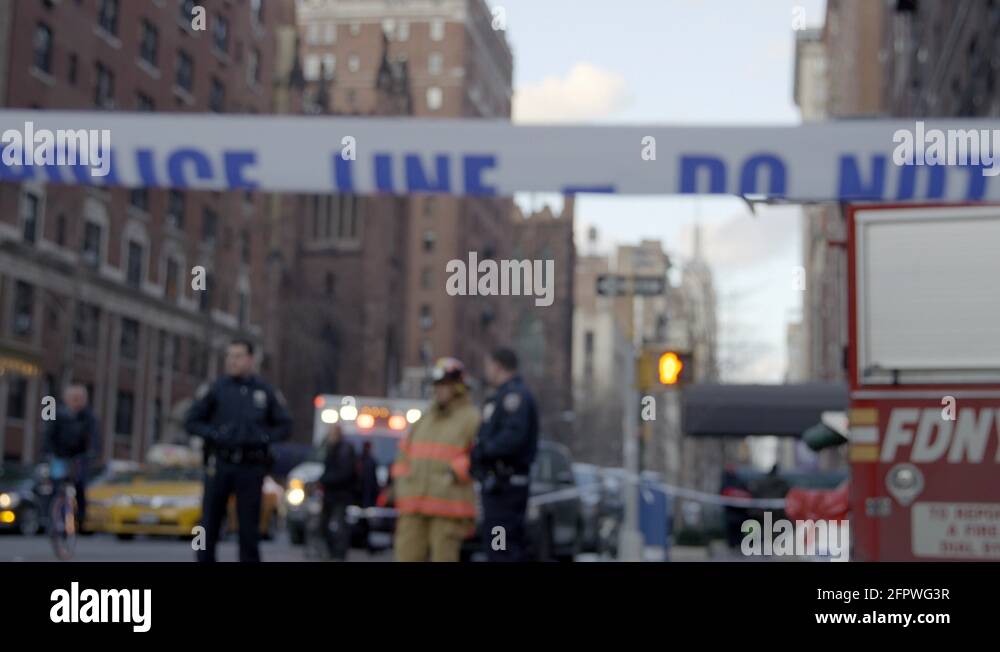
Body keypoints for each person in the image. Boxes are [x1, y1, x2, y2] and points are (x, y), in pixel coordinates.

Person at [184, 339, 292, 562]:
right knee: (205, 525)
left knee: (249, 528)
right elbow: (191, 421)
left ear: (251, 359)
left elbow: (285, 425)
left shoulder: (264, 392)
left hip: (250, 467)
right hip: (219, 464)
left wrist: (263, 437)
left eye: (238, 356)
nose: (232, 361)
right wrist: (214, 434)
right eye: (229, 356)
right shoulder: (216, 389)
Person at [390, 357, 479, 562]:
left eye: (444, 385)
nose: (438, 390)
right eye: (437, 385)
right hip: (414, 506)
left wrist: (455, 472)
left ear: (458, 387)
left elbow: (479, 455)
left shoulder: (471, 419)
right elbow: (404, 454)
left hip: (448, 508)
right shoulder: (425, 418)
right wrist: (402, 485)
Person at [471, 348, 538, 562]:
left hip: (505, 488)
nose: (487, 371)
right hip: (500, 488)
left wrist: (483, 451)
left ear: (498, 366)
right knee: (500, 547)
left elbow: (511, 439)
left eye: (488, 366)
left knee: (500, 548)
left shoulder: (513, 397)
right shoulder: (502, 396)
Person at [42, 384, 101, 529]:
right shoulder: (56, 413)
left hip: (80, 455)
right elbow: (48, 435)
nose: (78, 402)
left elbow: (95, 437)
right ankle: (53, 515)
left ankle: (80, 516)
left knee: (80, 483)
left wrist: (93, 451)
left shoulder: (89, 416)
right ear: (66, 399)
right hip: (59, 455)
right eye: (74, 398)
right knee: (55, 483)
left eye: (81, 398)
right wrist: (48, 452)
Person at [319, 423, 356, 560]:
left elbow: (344, 473)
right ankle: (333, 552)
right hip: (332, 494)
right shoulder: (333, 448)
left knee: (338, 525)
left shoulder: (343, 450)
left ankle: (338, 554)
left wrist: (324, 480)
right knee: (327, 524)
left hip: (340, 494)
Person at [356, 441, 380, 554]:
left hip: (361, 497)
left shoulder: (360, 460)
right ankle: (365, 544)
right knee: (366, 522)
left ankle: (363, 543)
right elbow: (373, 482)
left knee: (363, 522)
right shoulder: (370, 461)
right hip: (367, 497)